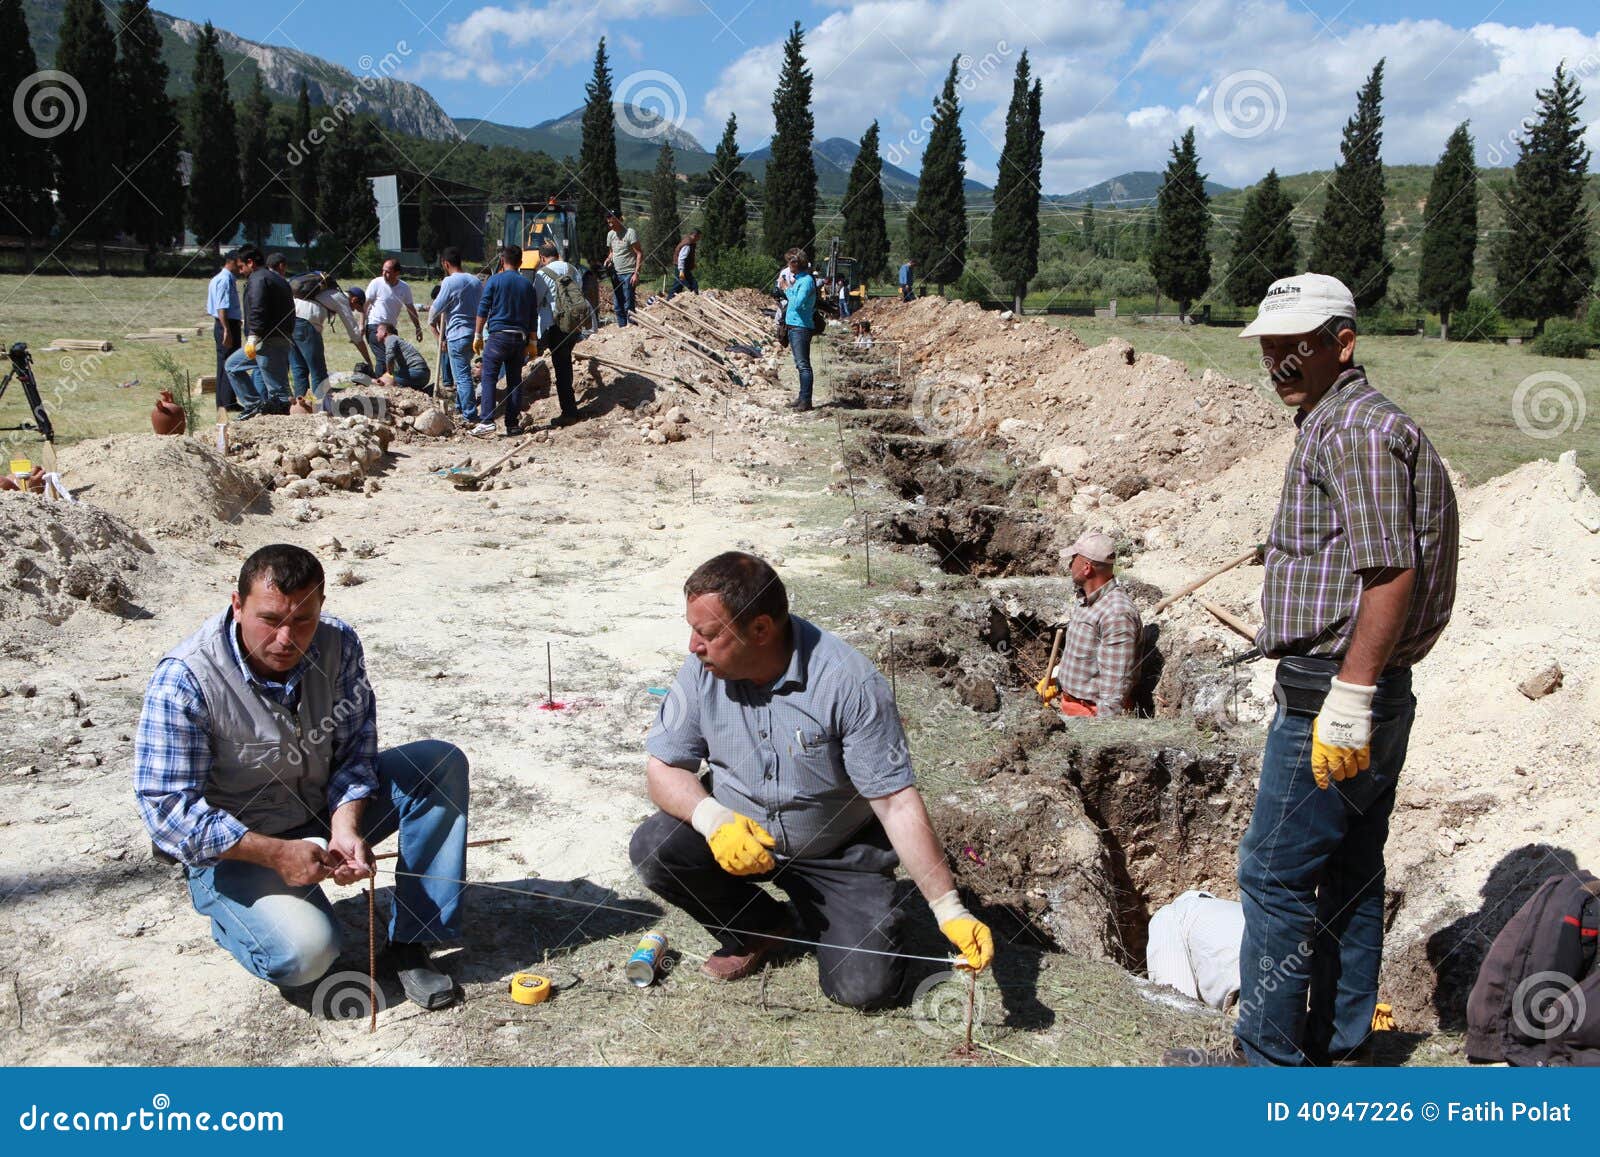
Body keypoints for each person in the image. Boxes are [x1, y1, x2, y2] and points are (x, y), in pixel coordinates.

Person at [1163, 273, 1459, 1067]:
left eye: (1295, 345)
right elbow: (1364, 551)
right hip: (1375, 690)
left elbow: (1390, 573)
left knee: (1274, 874)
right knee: (1352, 870)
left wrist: (1350, 697)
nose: (1277, 361)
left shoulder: (1353, 431)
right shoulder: (1348, 420)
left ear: (1342, 343)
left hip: (1335, 692)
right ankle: (1340, 1044)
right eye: (1268, 344)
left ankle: (1266, 1064)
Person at [628, 552, 994, 1009]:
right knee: (655, 848)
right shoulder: (702, 672)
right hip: (741, 837)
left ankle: (848, 917)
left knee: (866, 989)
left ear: (760, 629)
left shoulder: (849, 684)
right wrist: (714, 818)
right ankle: (760, 927)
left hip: (835, 854)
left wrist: (948, 909)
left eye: (707, 634)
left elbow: (897, 803)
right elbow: (663, 768)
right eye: (693, 631)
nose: (692, 647)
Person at [133, 544, 469, 1010]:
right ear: (237, 605)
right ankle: (235, 908)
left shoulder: (339, 644)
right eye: (269, 620)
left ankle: (413, 939)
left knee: (438, 764)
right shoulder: (186, 678)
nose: (286, 638)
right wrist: (275, 854)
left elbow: (355, 750)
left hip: (317, 808)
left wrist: (345, 826)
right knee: (305, 956)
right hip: (240, 845)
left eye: (303, 620)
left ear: (321, 607)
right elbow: (168, 811)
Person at [1042, 531, 1143, 717]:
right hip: (1074, 707)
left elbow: (1115, 687)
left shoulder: (1116, 613)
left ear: (1087, 567)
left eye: (1074, 558)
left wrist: (1099, 734)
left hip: (1090, 715)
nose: (1070, 564)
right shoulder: (1087, 600)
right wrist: (1058, 681)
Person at [470, 244, 539, 438]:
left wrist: (477, 335)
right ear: (520, 262)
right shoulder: (527, 285)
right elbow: (532, 315)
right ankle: (512, 424)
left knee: (489, 377)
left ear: (502, 260)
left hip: (498, 337)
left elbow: (483, 310)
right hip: (519, 339)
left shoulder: (494, 280)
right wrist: (533, 341)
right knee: (515, 381)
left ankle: (487, 421)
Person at [224, 246, 294, 420]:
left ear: (250, 262)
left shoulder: (258, 279)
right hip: (280, 337)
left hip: (267, 340)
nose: (240, 272)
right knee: (232, 365)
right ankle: (254, 405)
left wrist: (253, 337)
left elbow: (258, 308)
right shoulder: (276, 278)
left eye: (241, 267)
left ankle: (286, 420)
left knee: (278, 391)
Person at [289, 271, 369, 401]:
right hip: (306, 324)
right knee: (318, 371)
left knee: (299, 369)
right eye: (355, 307)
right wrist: (368, 361)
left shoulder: (327, 293)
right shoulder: (341, 298)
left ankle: (301, 407)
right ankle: (319, 406)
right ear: (354, 299)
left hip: (289, 321)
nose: (353, 310)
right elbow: (355, 334)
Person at [533, 241, 584, 427]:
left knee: (561, 367)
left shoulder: (542, 274)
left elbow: (535, 300)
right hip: (574, 324)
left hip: (555, 326)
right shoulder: (573, 270)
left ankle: (569, 412)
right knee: (565, 364)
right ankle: (570, 406)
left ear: (542, 257)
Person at [431, 247, 483, 422]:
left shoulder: (449, 282)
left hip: (457, 335)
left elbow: (436, 308)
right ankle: (461, 408)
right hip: (474, 334)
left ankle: (470, 415)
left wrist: (434, 328)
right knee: (464, 373)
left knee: (462, 378)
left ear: (446, 264)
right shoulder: (475, 281)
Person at [362, 258, 423, 357]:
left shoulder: (404, 287)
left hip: (391, 328)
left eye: (388, 272)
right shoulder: (376, 283)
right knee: (384, 358)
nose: (384, 274)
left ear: (397, 273)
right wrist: (361, 325)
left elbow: (410, 309)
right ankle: (381, 373)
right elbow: (365, 305)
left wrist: (418, 328)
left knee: (394, 359)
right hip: (374, 326)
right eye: (383, 271)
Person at [206, 249, 243, 410]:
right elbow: (222, 307)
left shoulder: (224, 278)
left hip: (228, 323)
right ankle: (227, 402)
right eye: (239, 263)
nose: (241, 268)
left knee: (225, 363)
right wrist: (227, 329)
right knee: (230, 362)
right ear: (232, 262)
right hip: (226, 324)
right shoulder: (224, 280)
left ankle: (225, 401)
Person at [783, 249, 818, 412]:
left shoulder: (806, 281)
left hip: (801, 327)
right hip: (795, 326)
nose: (788, 265)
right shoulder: (800, 280)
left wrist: (786, 289)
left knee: (803, 365)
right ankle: (802, 397)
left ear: (797, 263)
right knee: (800, 364)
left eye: (790, 262)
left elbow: (797, 302)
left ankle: (806, 400)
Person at [603, 210, 642, 327]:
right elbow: (612, 252)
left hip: (628, 273)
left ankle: (631, 328)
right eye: (609, 223)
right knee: (617, 305)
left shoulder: (630, 233)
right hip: (616, 274)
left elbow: (639, 253)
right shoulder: (610, 235)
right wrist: (608, 259)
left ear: (620, 219)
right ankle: (622, 328)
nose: (611, 225)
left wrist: (636, 273)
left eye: (613, 222)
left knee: (628, 304)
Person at [373, 323, 432, 391]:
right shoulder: (398, 340)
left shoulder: (390, 338)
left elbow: (390, 356)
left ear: (384, 333)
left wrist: (389, 374)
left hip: (415, 373)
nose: (376, 334)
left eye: (377, 332)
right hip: (424, 375)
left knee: (384, 381)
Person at [666, 229, 701, 299]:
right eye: (699, 237)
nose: (699, 239)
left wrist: (692, 264)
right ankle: (669, 299)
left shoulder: (689, 241)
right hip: (681, 268)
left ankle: (671, 299)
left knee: (680, 285)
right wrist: (681, 271)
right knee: (686, 284)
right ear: (695, 236)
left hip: (683, 267)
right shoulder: (687, 244)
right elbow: (681, 258)